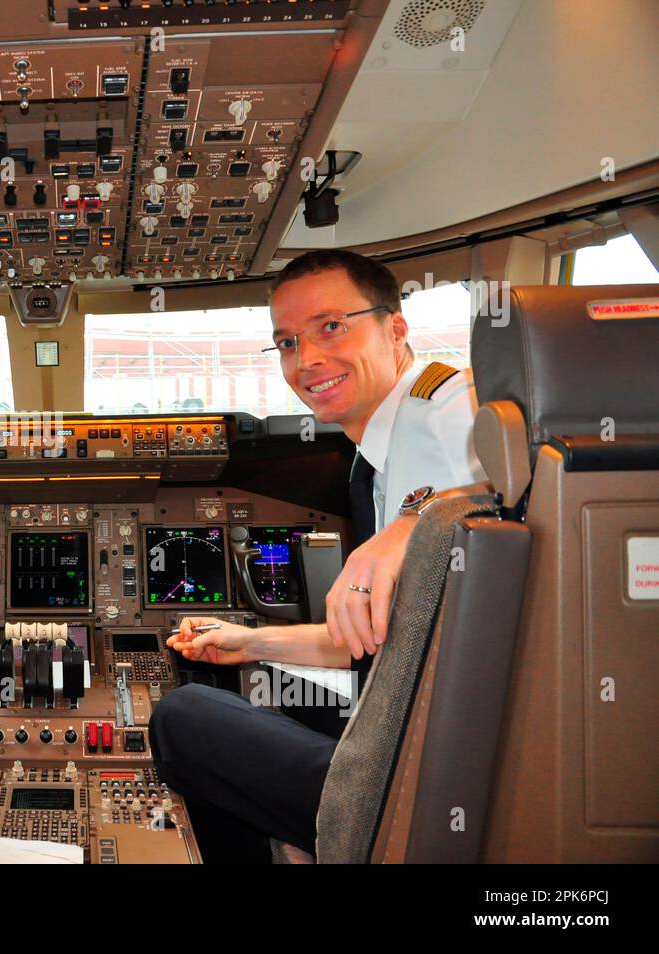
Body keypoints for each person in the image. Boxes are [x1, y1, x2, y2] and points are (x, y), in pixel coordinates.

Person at [150, 249, 488, 861]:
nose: (307, 360)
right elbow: (374, 635)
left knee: (182, 715)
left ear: (396, 327)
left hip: (418, 776)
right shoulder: (381, 445)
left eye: (332, 326)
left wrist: (411, 525)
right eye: (287, 342)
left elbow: (519, 488)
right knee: (250, 677)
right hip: (411, 712)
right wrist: (248, 640)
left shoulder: (441, 409)